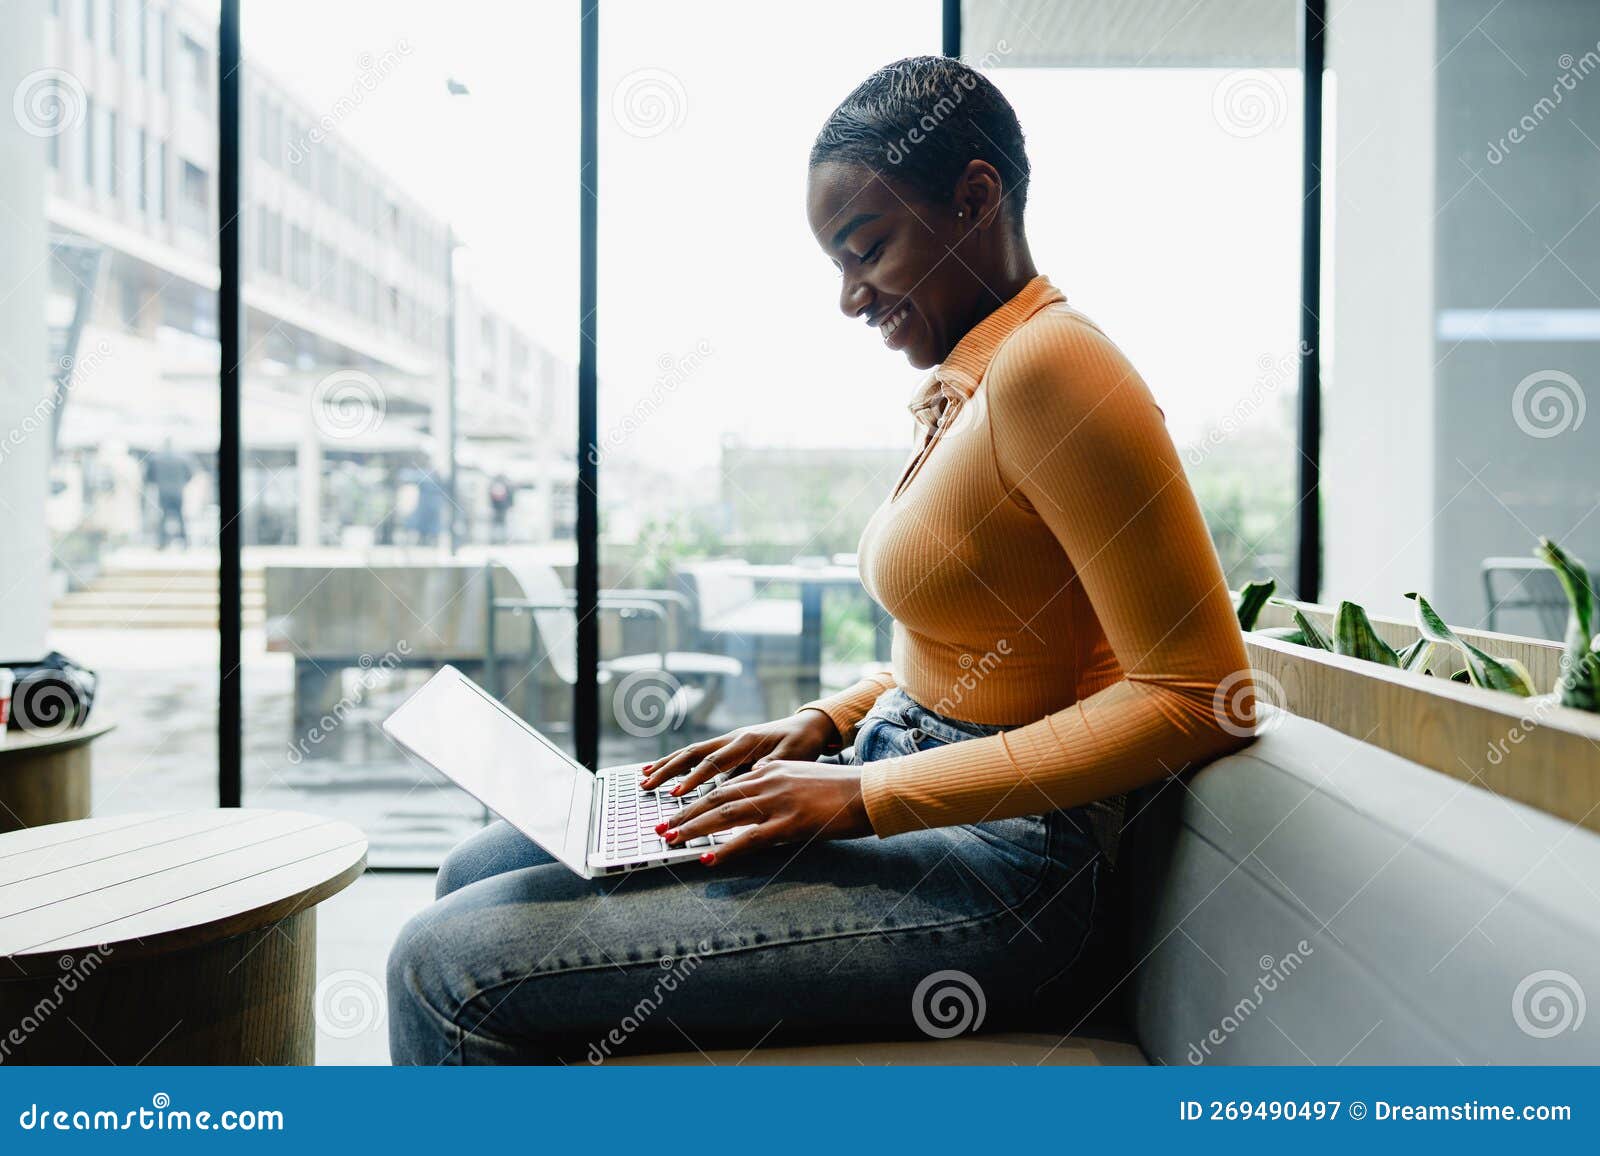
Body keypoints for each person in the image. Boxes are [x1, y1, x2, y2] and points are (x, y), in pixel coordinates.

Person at [388, 56, 1254, 1065]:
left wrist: (859, 796)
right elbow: (974, 649)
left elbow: (1196, 691)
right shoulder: (973, 380)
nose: (850, 297)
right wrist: (819, 725)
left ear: (976, 198)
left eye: (867, 248)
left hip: (1008, 869)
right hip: (898, 773)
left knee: (443, 965)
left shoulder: (1055, 367)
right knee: (477, 862)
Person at [143, 438, 192, 550]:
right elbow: (190, 474)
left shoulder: (156, 458)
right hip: (178, 491)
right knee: (180, 516)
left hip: (163, 491)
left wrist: (159, 483)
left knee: (163, 516)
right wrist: (181, 483)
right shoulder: (183, 458)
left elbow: (148, 477)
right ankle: (185, 542)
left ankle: (162, 543)